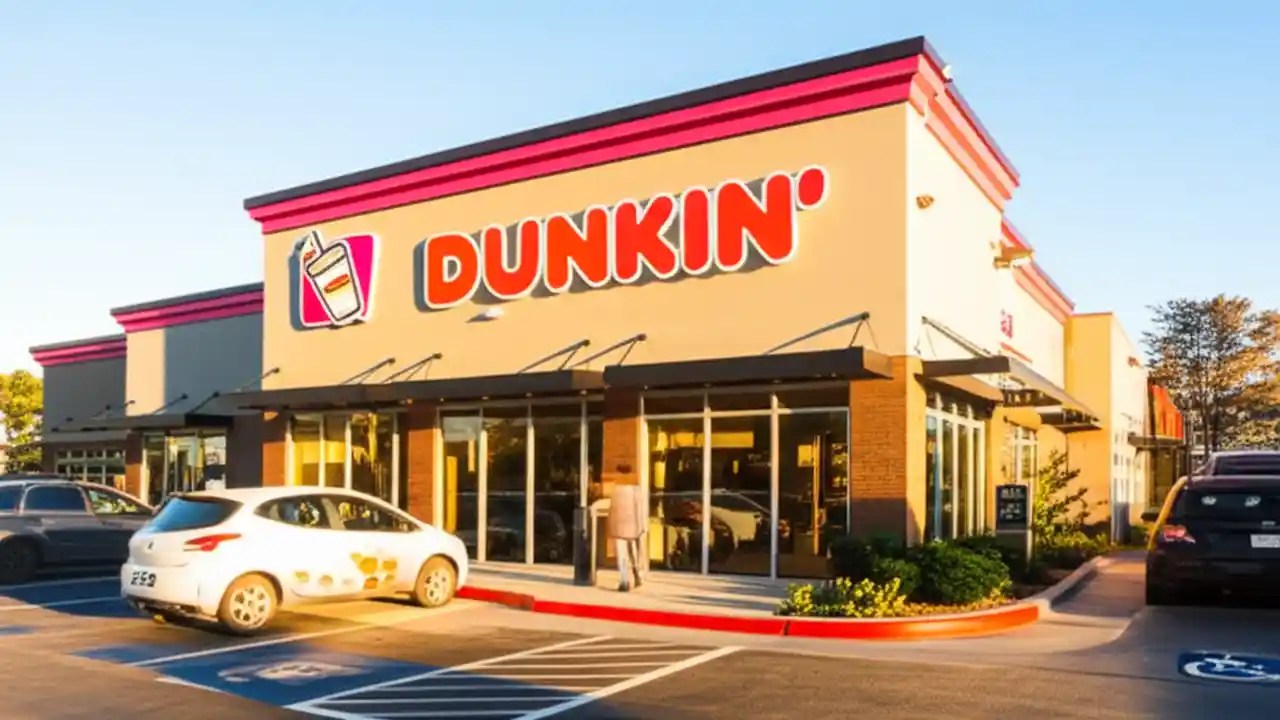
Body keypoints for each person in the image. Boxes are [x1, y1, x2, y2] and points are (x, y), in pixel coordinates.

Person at [607, 484, 644, 591]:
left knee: (622, 552)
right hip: (632, 525)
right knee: (633, 550)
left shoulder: (615, 489)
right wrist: (641, 526)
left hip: (619, 524)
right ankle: (637, 574)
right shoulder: (636, 489)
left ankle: (624, 580)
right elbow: (640, 508)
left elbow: (612, 508)